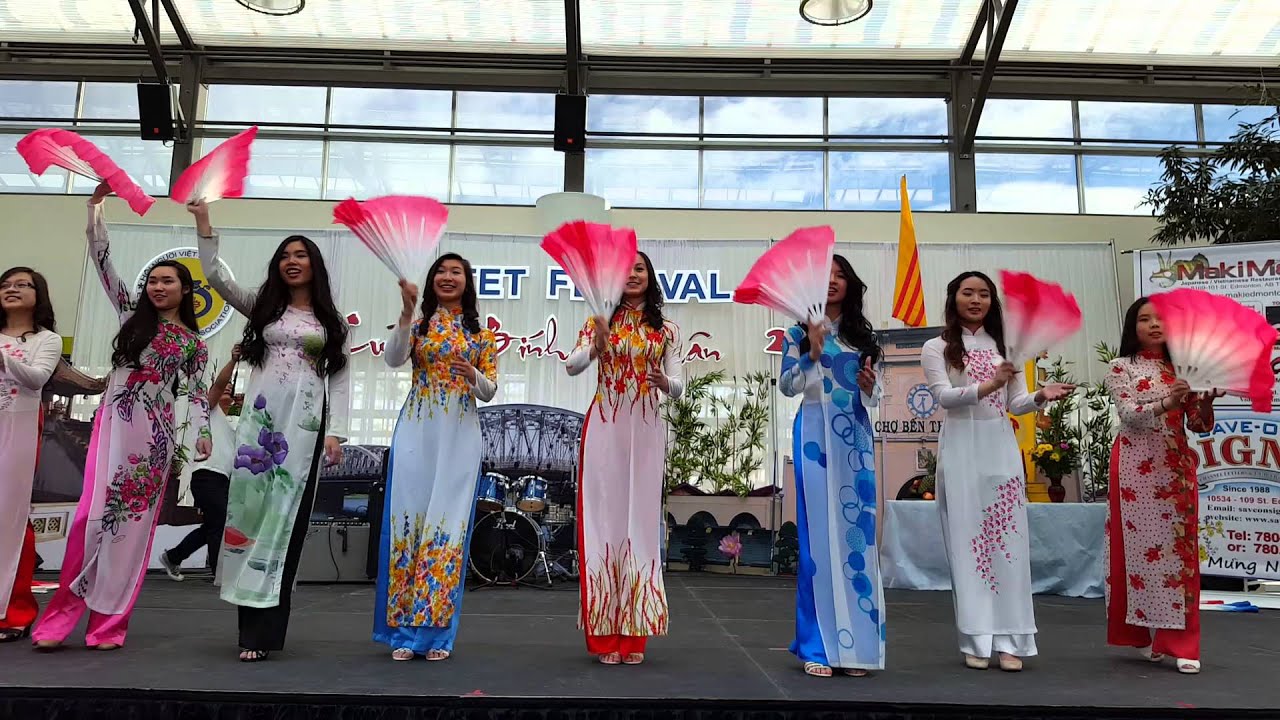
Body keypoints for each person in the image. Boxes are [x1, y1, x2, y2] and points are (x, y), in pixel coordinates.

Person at [34, 183, 211, 651]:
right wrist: (96, 208)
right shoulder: (130, 314)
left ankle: (107, 624)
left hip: (152, 443)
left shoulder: (194, 344)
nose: (158, 287)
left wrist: (204, 435)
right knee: (90, 521)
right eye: (153, 280)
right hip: (112, 430)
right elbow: (102, 261)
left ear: (185, 289)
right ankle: (60, 617)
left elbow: (194, 395)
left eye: (168, 281)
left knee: (130, 531)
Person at [189, 200, 349, 663]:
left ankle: (264, 631)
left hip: (303, 430)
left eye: (301, 255)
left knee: (286, 524)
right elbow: (216, 277)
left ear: (314, 267)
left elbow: (340, 379)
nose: (292, 261)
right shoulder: (263, 309)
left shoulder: (330, 323)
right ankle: (248, 625)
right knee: (249, 518)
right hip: (259, 431)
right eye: (285, 255)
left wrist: (336, 431)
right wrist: (204, 223)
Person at [919, 270, 1073, 672]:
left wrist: (1041, 395)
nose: (976, 300)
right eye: (968, 293)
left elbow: (1016, 403)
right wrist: (989, 386)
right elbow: (945, 398)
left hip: (999, 447)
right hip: (961, 446)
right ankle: (976, 638)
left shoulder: (1007, 346)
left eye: (984, 294)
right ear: (953, 299)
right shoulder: (936, 347)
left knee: (1008, 544)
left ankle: (1011, 641)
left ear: (992, 301)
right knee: (968, 544)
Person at [374, 255, 498, 661]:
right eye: (441, 272)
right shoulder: (420, 323)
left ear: (467, 281)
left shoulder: (481, 333)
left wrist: (472, 374)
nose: (447, 277)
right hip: (418, 428)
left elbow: (489, 390)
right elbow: (393, 359)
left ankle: (436, 635)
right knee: (407, 524)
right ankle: (403, 633)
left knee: (446, 528)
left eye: (456, 272)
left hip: (460, 433)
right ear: (430, 281)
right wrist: (407, 312)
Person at [566, 251, 683, 666]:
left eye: (640, 268)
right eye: (625, 268)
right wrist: (596, 345)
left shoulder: (666, 329)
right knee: (605, 524)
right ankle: (603, 636)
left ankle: (635, 634)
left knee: (640, 525)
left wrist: (664, 381)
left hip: (647, 431)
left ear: (650, 277)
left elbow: (679, 386)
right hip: (606, 427)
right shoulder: (598, 320)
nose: (633, 274)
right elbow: (572, 366)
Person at [778, 255, 884, 678]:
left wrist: (871, 388)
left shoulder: (864, 337)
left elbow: (876, 396)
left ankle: (857, 648)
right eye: (826, 277)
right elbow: (787, 387)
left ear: (851, 285)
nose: (833, 283)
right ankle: (817, 646)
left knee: (857, 544)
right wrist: (811, 354)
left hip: (855, 440)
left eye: (840, 276)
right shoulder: (796, 333)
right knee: (819, 544)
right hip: (814, 438)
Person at [1103, 298, 1220, 675]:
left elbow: (1200, 427)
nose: (1154, 325)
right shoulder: (1120, 367)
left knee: (1179, 553)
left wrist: (1205, 401)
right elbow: (1129, 416)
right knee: (1135, 554)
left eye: (1162, 319)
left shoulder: (1184, 368)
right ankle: (1141, 633)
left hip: (1174, 467)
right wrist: (1168, 399)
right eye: (1144, 319)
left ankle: (1182, 642)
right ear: (1132, 326)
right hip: (1134, 467)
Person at [0, 267, 62, 642]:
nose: (11, 289)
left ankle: (14, 612)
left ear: (38, 293)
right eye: (5, 285)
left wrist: (4, 359)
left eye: (21, 285)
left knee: (10, 518)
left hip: (17, 427)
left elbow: (36, 378)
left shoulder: (46, 339)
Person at [159, 345, 243, 581]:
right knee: (218, 524)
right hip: (207, 476)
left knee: (213, 525)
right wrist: (233, 361)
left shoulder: (233, 422)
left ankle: (174, 556)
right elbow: (218, 385)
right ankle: (221, 574)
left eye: (231, 388)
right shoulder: (209, 412)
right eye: (224, 387)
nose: (227, 389)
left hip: (222, 479)